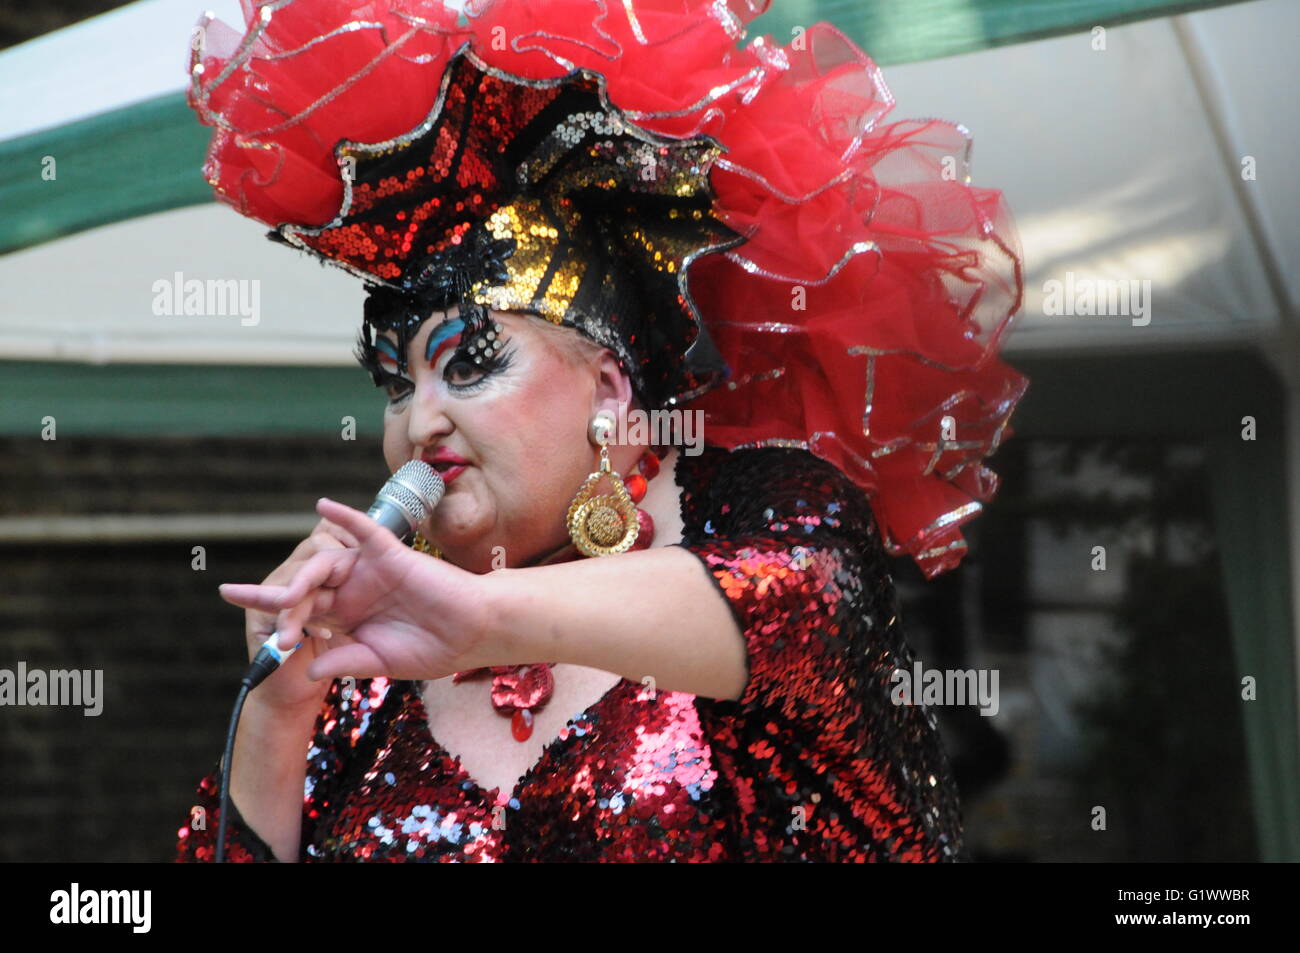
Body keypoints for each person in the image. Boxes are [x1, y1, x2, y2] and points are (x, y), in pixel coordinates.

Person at [175, 0, 1026, 862]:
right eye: (396, 383)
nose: (416, 420)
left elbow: (794, 618)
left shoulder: (761, 508)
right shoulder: (358, 661)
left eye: (467, 365)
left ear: (611, 390)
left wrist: (481, 614)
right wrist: (280, 714)